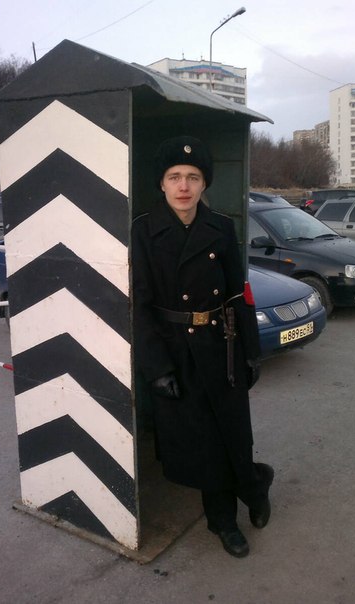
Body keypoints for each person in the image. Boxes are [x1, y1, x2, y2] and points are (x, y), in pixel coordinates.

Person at [132, 135, 273, 558]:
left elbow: (236, 294)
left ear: (204, 183)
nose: (184, 186)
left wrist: (250, 351)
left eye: (193, 177)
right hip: (176, 351)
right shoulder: (144, 230)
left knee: (234, 433)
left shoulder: (221, 227)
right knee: (203, 444)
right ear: (161, 183)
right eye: (175, 176)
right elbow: (140, 304)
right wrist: (157, 367)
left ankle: (250, 490)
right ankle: (227, 515)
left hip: (221, 344)